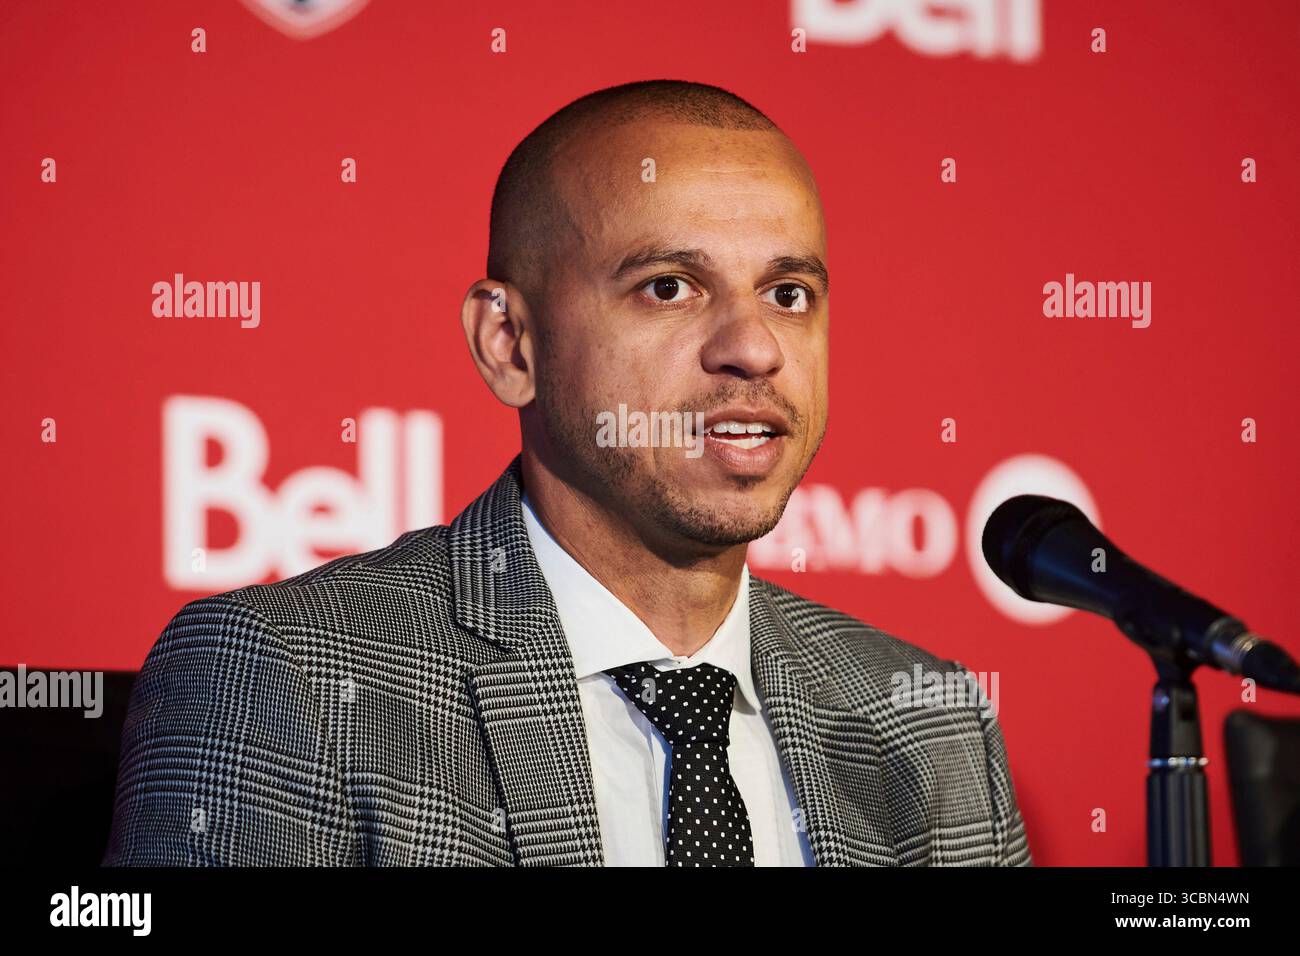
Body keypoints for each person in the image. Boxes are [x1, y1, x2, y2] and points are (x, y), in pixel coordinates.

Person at [105, 78, 1030, 867]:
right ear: (509, 343)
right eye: (669, 286)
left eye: (790, 295)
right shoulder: (289, 678)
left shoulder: (932, 726)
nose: (754, 348)